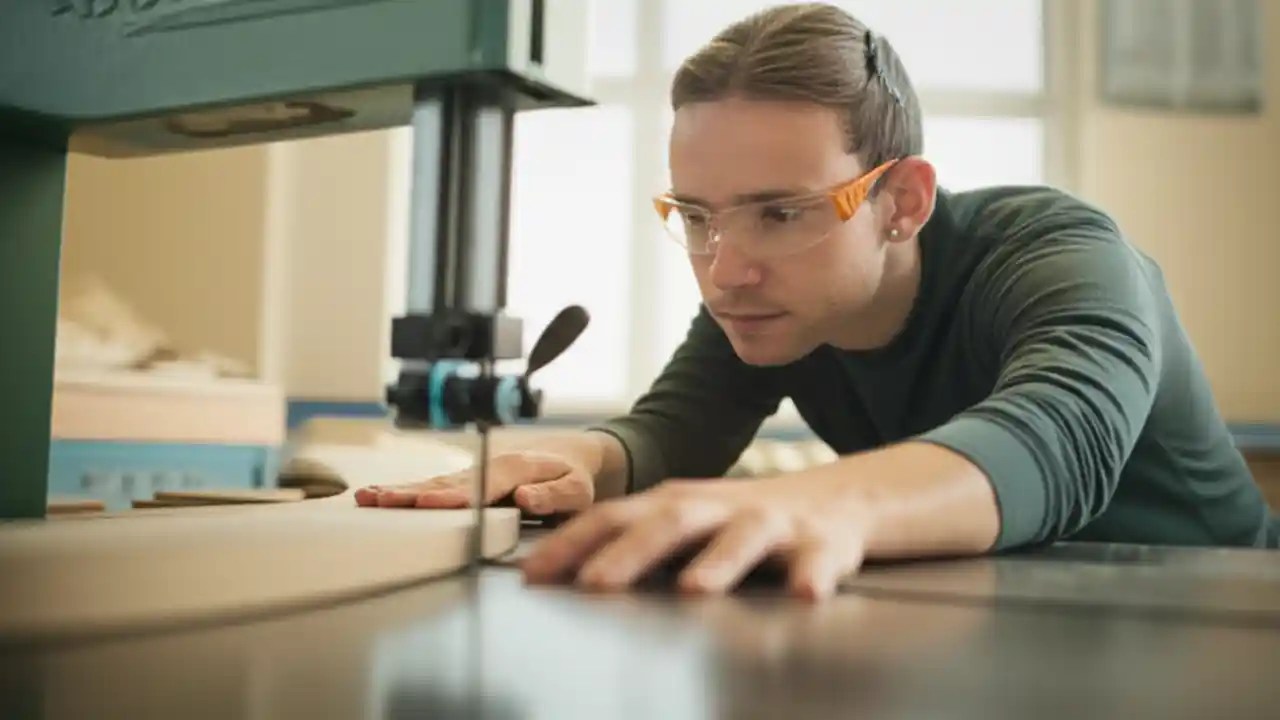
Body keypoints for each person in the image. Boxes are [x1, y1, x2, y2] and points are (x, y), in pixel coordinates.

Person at [355, 2, 1276, 599]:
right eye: (698, 217)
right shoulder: (779, 303)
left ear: (902, 201)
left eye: (782, 212)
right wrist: (577, 460)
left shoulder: (1059, 253)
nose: (725, 270)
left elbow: (1057, 439)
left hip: (1218, 609)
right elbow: (675, 430)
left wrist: (829, 501)